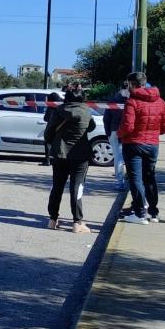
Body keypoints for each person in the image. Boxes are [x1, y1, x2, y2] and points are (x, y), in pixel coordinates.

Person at [119, 70, 165, 224]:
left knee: (135, 179)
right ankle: (154, 213)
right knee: (150, 178)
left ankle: (139, 213)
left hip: (133, 143)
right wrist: (154, 133)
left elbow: (128, 126)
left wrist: (119, 134)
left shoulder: (132, 101)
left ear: (132, 84)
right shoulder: (160, 101)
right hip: (152, 144)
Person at [44, 80, 95, 233]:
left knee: (57, 187)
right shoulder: (86, 111)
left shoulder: (58, 111)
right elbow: (91, 127)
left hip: (59, 154)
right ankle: (77, 222)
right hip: (80, 155)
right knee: (76, 188)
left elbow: (48, 135)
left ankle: (53, 219)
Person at [102, 82, 129, 192]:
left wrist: (108, 133)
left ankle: (119, 182)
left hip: (114, 131)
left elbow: (106, 118)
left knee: (118, 158)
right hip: (127, 132)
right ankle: (128, 180)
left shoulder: (113, 100)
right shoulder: (130, 100)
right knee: (128, 157)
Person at [40, 91, 63, 166]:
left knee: (47, 143)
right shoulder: (61, 107)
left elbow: (45, 118)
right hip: (60, 127)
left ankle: (47, 160)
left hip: (51, 127)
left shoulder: (50, 108)